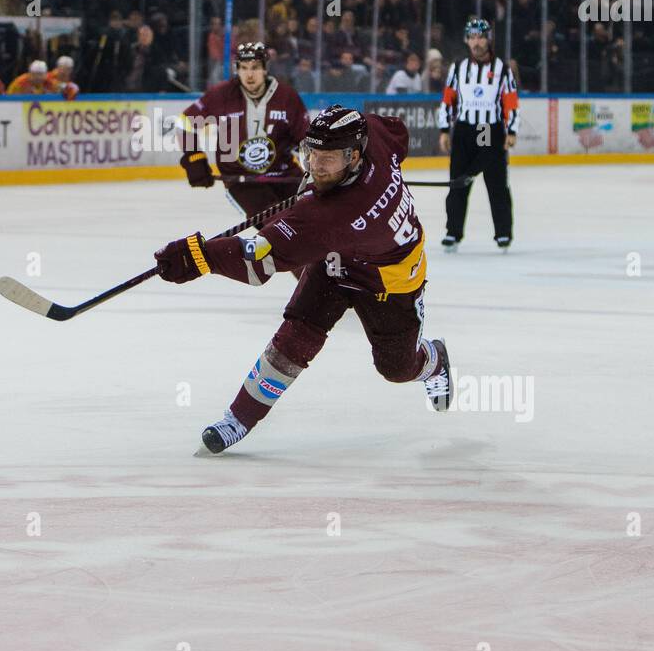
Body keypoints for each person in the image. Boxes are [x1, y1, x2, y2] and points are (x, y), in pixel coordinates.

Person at [153, 105, 452, 454]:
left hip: (389, 281)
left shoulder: (336, 215)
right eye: (312, 154)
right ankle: (239, 418)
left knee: (397, 369)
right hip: (336, 262)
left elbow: (257, 261)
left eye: (327, 159)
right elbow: (396, 130)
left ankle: (434, 359)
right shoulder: (370, 134)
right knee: (294, 339)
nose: (315, 166)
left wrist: (197, 256)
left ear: (354, 156)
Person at [178, 41, 310, 219]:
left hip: (285, 175)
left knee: (310, 219)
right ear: (237, 69)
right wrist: (194, 157)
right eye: (244, 67)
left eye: (255, 67)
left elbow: (305, 139)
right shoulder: (221, 95)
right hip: (241, 181)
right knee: (276, 225)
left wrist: (317, 167)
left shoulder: (287, 97)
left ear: (265, 68)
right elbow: (184, 123)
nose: (249, 74)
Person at [437, 17, 518, 250]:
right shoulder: (458, 68)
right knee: (457, 184)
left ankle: (503, 233)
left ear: (488, 39)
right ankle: (453, 232)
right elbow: (448, 99)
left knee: (496, 184)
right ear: (466, 40)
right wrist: (444, 129)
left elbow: (510, 101)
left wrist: (511, 130)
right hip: (464, 129)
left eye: (480, 37)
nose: (476, 42)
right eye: (472, 37)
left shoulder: (501, 69)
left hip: (488, 130)